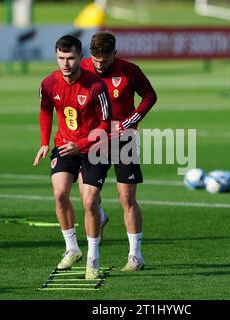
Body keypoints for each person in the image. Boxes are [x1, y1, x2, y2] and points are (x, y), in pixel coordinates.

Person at [33, 35, 111, 279]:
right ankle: (72, 249)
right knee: (59, 194)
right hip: (64, 146)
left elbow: (106, 125)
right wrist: (45, 143)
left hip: (94, 147)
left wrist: (81, 144)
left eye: (70, 58)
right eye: (60, 58)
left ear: (80, 58)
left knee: (89, 202)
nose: (65, 63)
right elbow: (45, 111)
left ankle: (92, 259)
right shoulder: (48, 84)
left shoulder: (96, 87)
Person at [81, 31, 157, 271]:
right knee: (89, 199)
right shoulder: (82, 68)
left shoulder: (129, 70)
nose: (100, 65)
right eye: (96, 61)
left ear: (115, 53)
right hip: (95, 141)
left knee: (127, 198)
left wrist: (131, 120)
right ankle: (99, 221)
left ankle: (136, 256)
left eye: (105, 61)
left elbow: (149, 96)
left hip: (124, 139)